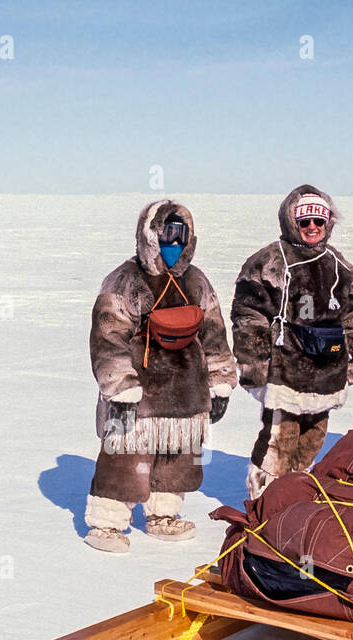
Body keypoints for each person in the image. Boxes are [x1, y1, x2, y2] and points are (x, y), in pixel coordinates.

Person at [84, 200, 236, 553]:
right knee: (124, 459)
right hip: (140, 396)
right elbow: (108, 337)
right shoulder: (125, 280)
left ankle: (163, 515)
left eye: (180, 239)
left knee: (178, 459)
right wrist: (120, 389)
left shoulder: (196, 281)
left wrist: (221, 381)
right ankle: (108, 521)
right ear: (149, 237)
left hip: (187, 391)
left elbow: (213, 332)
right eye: (166, 237)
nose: (173, 246)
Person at [231, 185, 353, 499]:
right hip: (285, 369)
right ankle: (264, 500)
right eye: (304, 221)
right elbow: (248, 313)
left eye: (318, 222)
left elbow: (352, 317)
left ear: (328, 223)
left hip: (327, 369)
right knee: (280, 437)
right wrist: (254, 362)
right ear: (292, 221)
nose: (311, 228)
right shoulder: (269, 261)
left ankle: (293, 496)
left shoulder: (341, 267)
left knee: (313, 437)